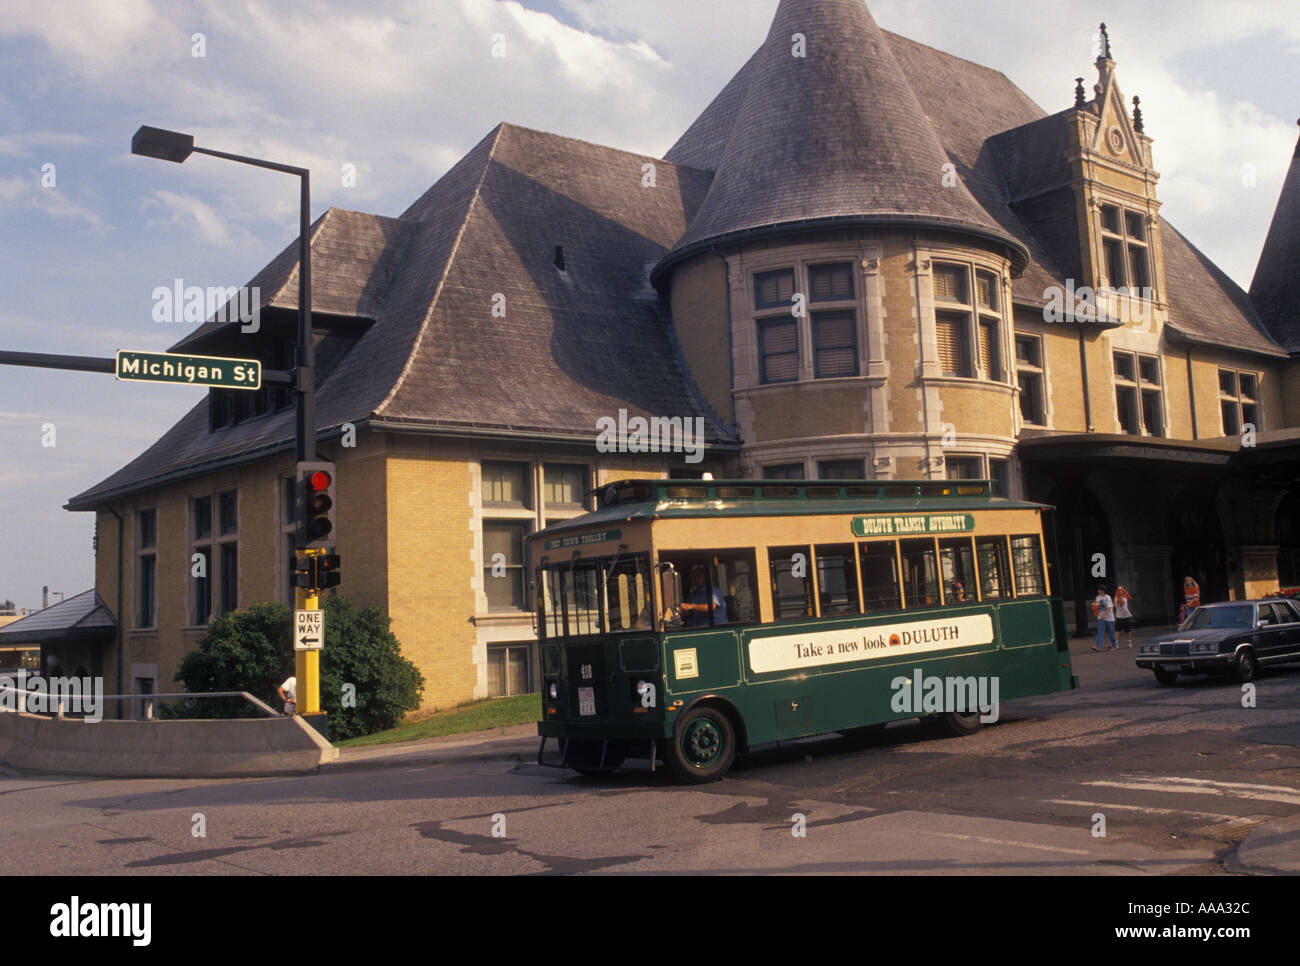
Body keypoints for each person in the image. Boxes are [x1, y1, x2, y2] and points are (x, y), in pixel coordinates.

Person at [1091, 585, 1117, 651]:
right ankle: (1098, 646)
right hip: (1100, 617)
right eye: (1098, 590)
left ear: (1103, 591)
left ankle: (1114, 646)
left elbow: (1110, 607)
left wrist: (1105, 615)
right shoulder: (1098, 597)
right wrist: (1095, 609)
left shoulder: (1107, 597)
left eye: (1100, 590)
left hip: (1109, 617)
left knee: (1111, 632)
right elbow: (1097, 605)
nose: (1099, 591)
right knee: (1100, 631)